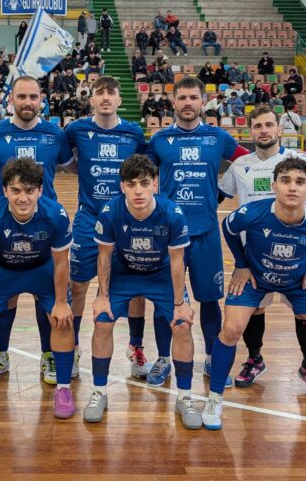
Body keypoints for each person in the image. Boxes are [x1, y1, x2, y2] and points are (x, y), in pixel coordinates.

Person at [206, 157, 306, 432]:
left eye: (299, 182)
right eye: (285, 181)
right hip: (256, 278)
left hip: (298, 282)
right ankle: (214, 399)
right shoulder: (253, 213)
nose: (292, 188)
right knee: (232, 329)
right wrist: (241, 264)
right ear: (274, 186)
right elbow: (229, 228)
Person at [218, 105, 306, 393]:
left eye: (269, 125)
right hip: (253, 258)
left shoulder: (297, 159)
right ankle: (254, 359)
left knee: (302, 312)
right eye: (258, 126)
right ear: (251, 132)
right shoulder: (240, 165)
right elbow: (218, 197)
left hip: (296, 254)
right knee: (254, 310)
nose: (264, 131)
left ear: (279, 129)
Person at [83, 154, 201, 428]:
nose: (138, 191)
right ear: (122, 186)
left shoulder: (172, 213)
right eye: (132, 184)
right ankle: (99, 392)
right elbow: (103, 256)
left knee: (182, 325)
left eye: (144, 183)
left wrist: (180, 302)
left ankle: (185, 397)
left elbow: (176, 261)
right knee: (102, 322)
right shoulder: (110, 213)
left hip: (159, 274)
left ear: (155, 185)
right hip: (124, 272)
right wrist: (101, 297)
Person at [145, 77, 249, 388]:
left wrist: (223, 192)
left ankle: (211, 357)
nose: (188, 103)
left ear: (203, 102)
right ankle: (163, 358)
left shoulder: (218, 137)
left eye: (194, 97)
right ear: (173, 102)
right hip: (168, 234)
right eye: (182, 98)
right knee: (166, 300)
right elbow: (142, 175)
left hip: (205, 233)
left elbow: (250, 161)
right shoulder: (159, 140)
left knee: (209, 299)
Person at [0, 75, 75, 382]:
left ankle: (50, 357)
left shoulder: (55, 135)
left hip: (44, 229)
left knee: (49, 299)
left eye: (33, 97)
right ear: (10, 100)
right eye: (21, 97)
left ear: (42, 100)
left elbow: (76, 167)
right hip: (2, 230)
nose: (27, 102)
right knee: (7, 298)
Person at [0, 158, 76, 418]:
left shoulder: (55, 215)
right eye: (15, 191)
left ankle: (63, 387)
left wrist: (61, 303)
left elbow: (62, 263)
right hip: (3, 271)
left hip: (42, 271)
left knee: (63, 320)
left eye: (29, 191)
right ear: (4, 190)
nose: (23, 198)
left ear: (40, 190)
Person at [64, 76, 151, 379]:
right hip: (89, 219)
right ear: (90, 99)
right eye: (98, 93)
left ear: (119, 99)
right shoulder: (76, 129)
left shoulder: (133, 132)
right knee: (78, 285)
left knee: (136, 286)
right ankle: (72, 347)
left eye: (110, 93)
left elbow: (146, 169)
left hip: (126, 220)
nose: (104, 98)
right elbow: (65, 160)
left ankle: (136, 346)